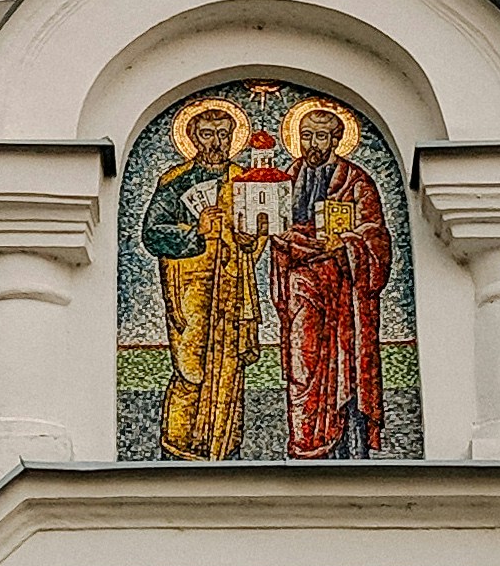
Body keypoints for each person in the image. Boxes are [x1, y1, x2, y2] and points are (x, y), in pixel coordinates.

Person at [142, 101, 267, 459]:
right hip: (192, 285)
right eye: (208, 135)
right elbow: (153, 234)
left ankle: (225, 447)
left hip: (233, 283)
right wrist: (196, 230)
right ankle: (178, 445)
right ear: (194, 138)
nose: (216, 142)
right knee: (191, 367)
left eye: (223, 135)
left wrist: (250, 234)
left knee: (231, 366)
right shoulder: (175, 182)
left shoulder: (244, 180)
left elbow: (254, 238)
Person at [271, 102, 395, 459]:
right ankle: (305, 442)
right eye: (306, 136)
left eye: (321, 137)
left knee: (344, 368)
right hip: (299, 285)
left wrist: (344, 243)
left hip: (343, 293)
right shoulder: (286, 180)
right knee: (302, 365)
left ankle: (344, 446)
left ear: (337, 139)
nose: (312, 144)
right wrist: (280, 238)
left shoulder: (356, 182)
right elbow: (273, 226)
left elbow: (376, 237)